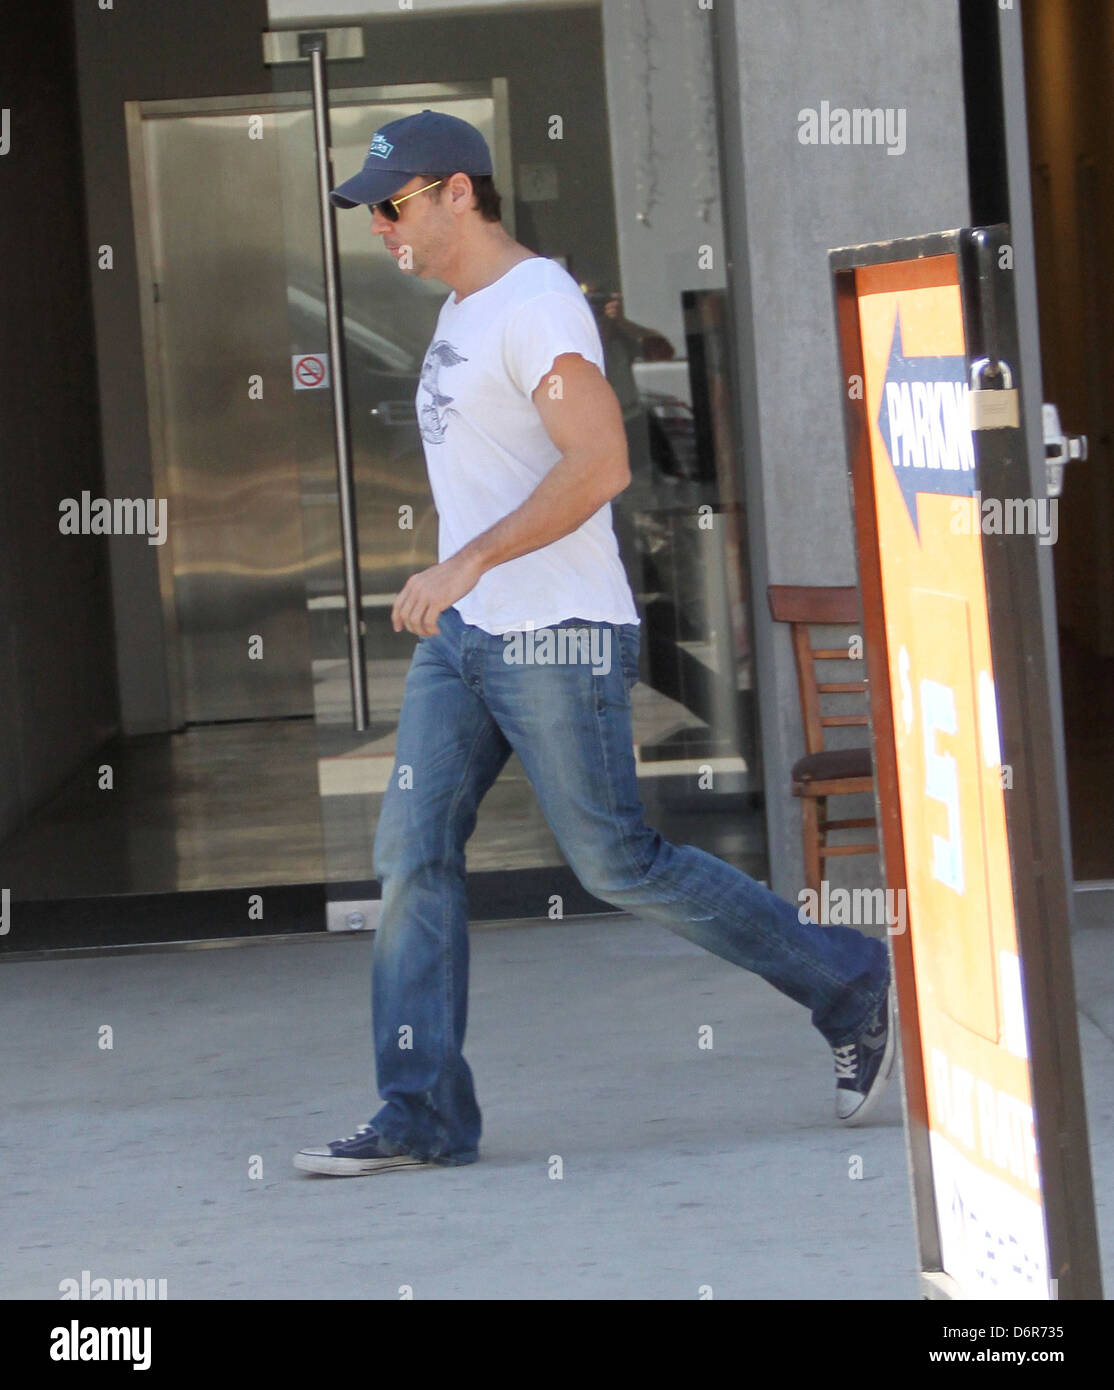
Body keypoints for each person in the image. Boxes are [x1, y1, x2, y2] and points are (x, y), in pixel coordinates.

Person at [295, 110, 894, 1178]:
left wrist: (464, 562)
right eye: (368, 209)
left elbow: (600, 465)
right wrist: (462, 582)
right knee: (410, 852)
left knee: (619, 862)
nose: (378, 225)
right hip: (468, 639)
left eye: (393, 203)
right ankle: (420, 1110)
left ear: (460, 192)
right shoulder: (461, 309)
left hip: (555, 636)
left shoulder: (534, 304)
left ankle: (847, 981)